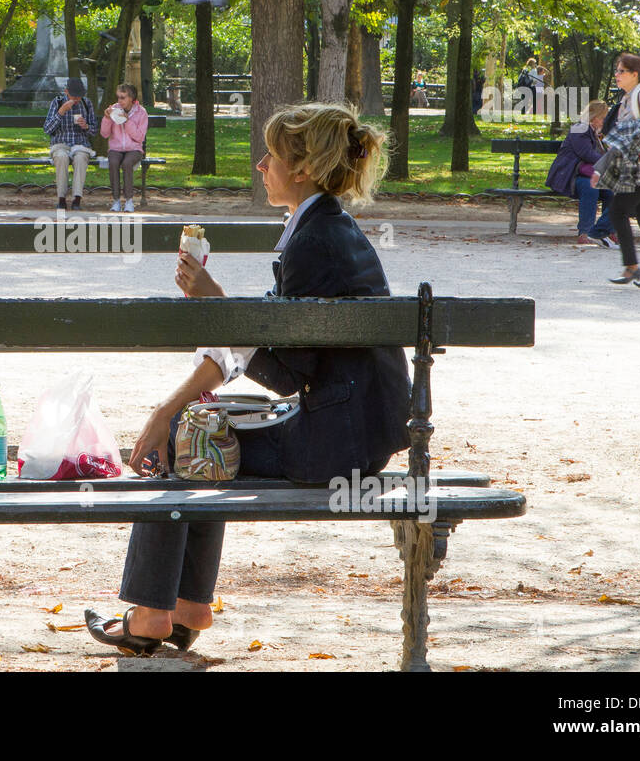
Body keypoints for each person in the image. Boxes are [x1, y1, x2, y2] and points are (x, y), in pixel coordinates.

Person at [84, 102, 411, 655]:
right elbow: (284, 350)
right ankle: (188, 606)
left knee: (187, 440)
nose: (261, 166)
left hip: (335, 445)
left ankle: (153, 615)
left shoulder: (313, 242)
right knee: (199, 424)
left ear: (302, 169)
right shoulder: (330, 228)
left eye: (271, 157)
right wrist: (224, 315)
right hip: (360, 428)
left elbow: (286, 373)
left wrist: (220, 307)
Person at [593, 53, 640, 288]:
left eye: (621, 71)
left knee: (618, 210)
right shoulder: (628, 98)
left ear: (635, 74)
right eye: (616, 70)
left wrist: (631, 136)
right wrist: (602, 167)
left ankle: (631, 266)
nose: (617, 75)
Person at [546, 100, 615, 246]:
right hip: (570, 175)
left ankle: (606, 231)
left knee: (612, 191)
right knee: (590, 187)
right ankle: (585, 232)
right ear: (594, 117)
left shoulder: (596, 132)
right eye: (603, 118)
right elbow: (586, 154)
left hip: (585, 173)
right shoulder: (579, 129)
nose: (604, 121)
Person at [42, 77, 97, 211]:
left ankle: (77, 199)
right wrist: (61, 112)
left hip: (80, 144)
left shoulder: (86, 103)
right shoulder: (57, 102)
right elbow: (47, 129)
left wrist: (86, 126)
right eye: (74, 96)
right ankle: (61, 199)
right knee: (61, 157)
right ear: (66, 92)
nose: (77, 99)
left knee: (80, 158)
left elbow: (94, 130)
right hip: (60, 143)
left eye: (79, 96)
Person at [99, 83, 149, 212]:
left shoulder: (141, 112)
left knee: (127, 163)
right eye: (118, 97)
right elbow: (104, 134)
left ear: (131, 98)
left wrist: (127, 122)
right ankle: (116, 200)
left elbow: (139, 137)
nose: (119, 101)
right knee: (113, 162)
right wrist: (107, 118)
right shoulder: (114, 109)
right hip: (116, 148)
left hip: (134, 149)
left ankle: (129, 200)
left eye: (123, 97)